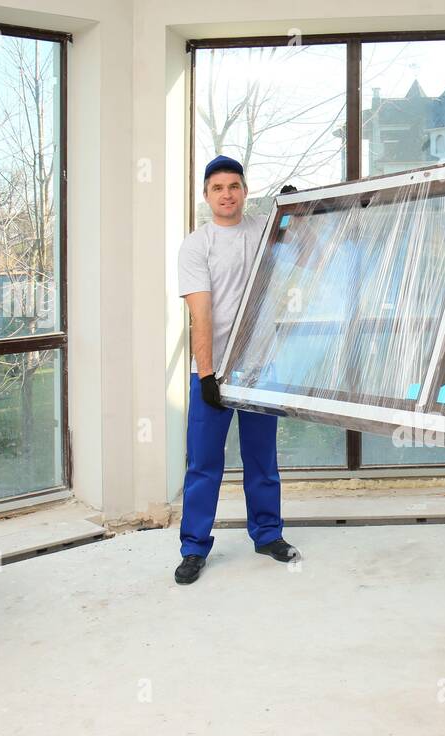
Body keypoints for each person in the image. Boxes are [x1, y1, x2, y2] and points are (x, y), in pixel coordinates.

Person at [174, 156, 300, 585]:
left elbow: (309, 257)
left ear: (245, 191)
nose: (227, 194)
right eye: (217, 188)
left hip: (262, 366)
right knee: (204, 463)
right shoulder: (197, 245)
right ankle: (193, 548)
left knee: (262, 459)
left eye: (234, 186)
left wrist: (299, 213)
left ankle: (268, 535)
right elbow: (201, 313)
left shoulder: (267, 229)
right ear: (206, 196)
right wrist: (207, 374)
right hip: (214, 371)